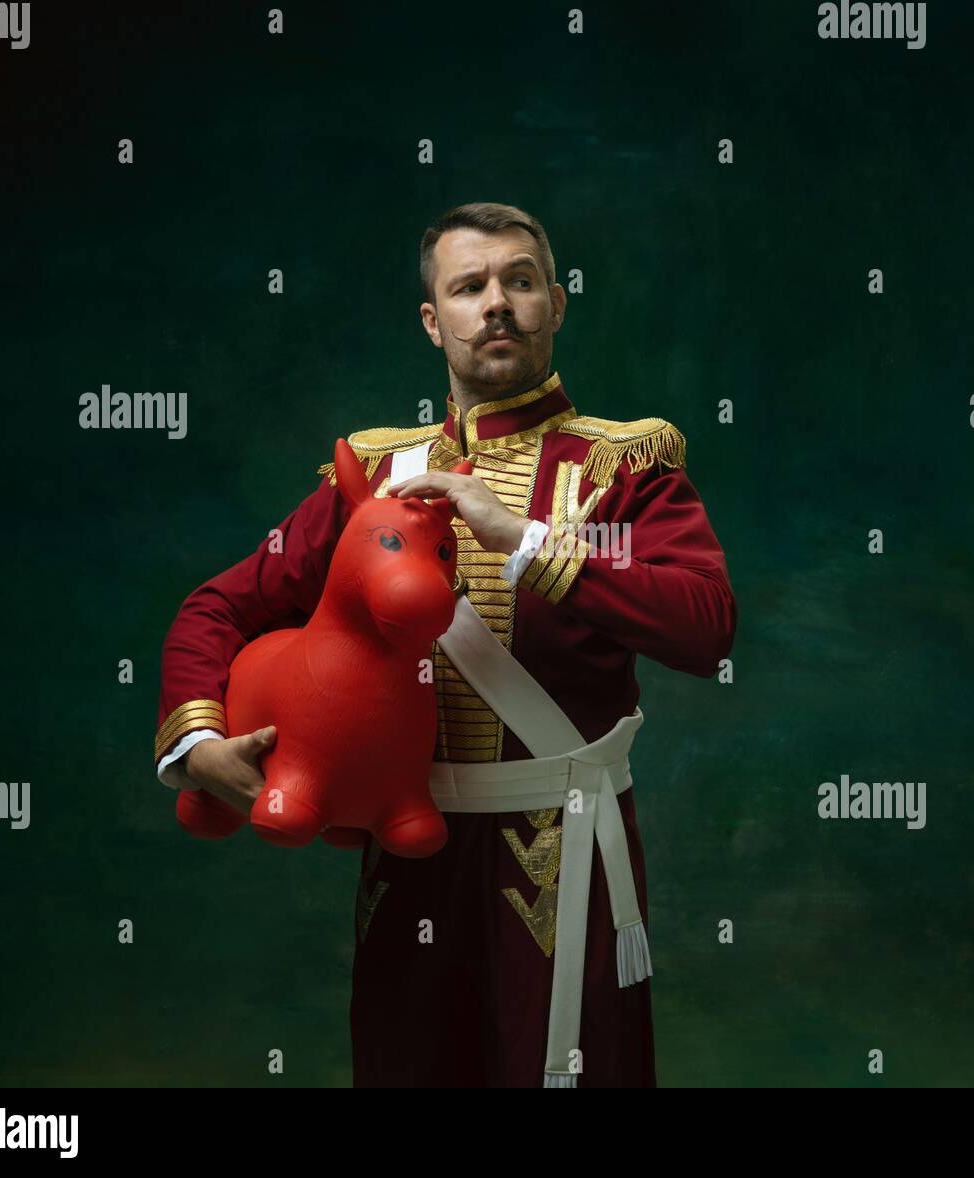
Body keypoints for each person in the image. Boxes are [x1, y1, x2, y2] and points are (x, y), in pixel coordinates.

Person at [153, 201, 738, 1087]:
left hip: (561, 850)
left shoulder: (625, 466)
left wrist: (526, 540)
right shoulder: (372, 479)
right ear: (435, 321)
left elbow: (704, 628)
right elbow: (218, 609)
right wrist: (198, 743)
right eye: (470, 287)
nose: (496, 303)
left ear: (557, 302)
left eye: (520, 281)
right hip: (408, 856)